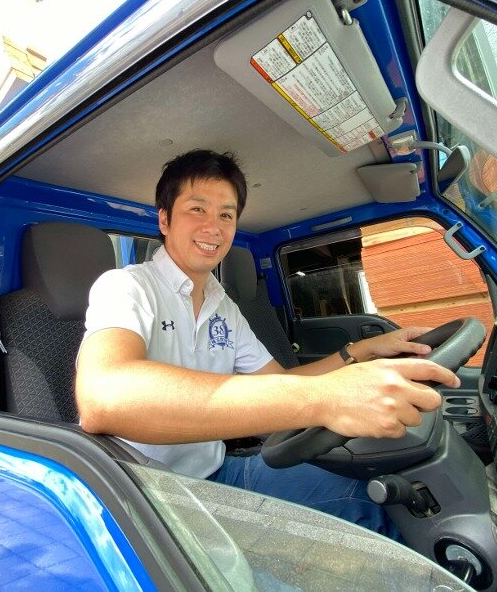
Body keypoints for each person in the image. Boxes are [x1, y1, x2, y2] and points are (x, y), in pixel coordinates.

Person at [76, 149, 460, 538]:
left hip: (218, 474)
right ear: (165, 219)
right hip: (144, 499)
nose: (214, 227)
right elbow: (104, 397)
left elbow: (280, 381)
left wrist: (362, 352)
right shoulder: (128, 286)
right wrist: (326, 399)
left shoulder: (222, 305)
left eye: (226, 215)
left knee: (373, 499)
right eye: (197, 209)